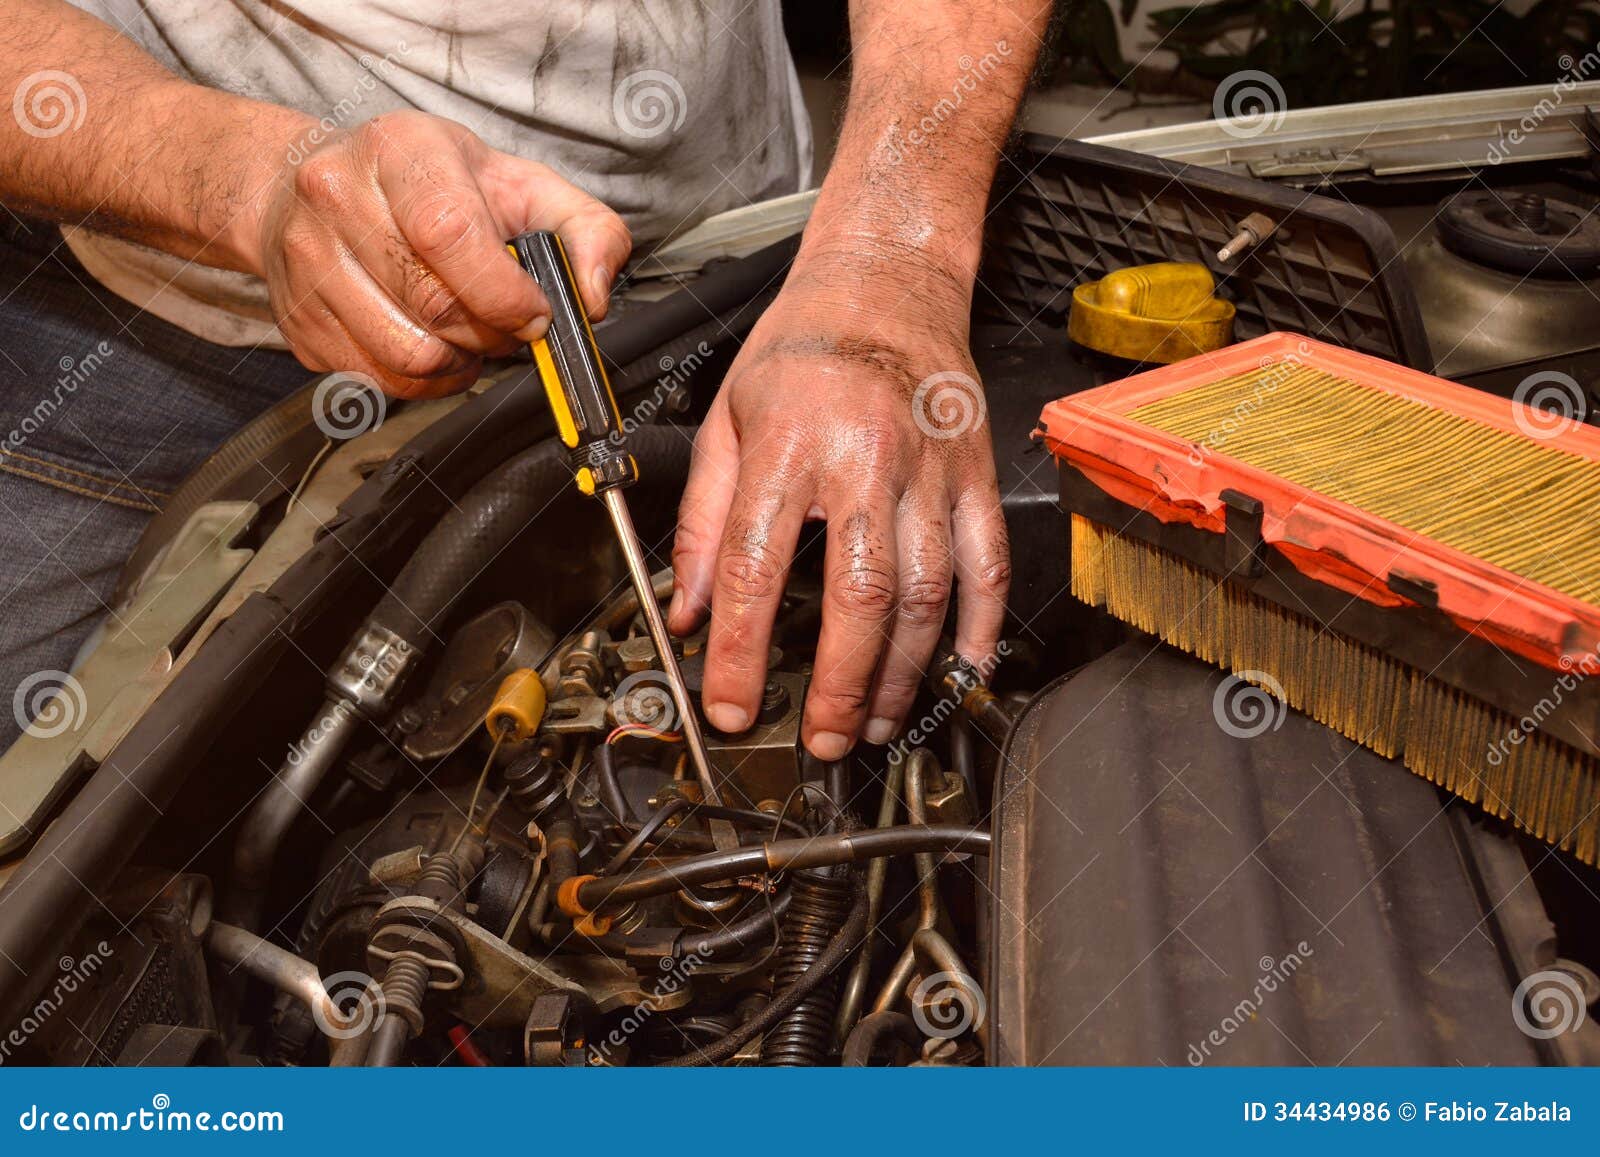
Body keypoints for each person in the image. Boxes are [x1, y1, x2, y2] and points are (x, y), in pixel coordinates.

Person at [0, 1, 1048, 758]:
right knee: (55, 831)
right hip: (159, 340)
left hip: (744, 260)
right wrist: (251, 183)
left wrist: (889, 255)